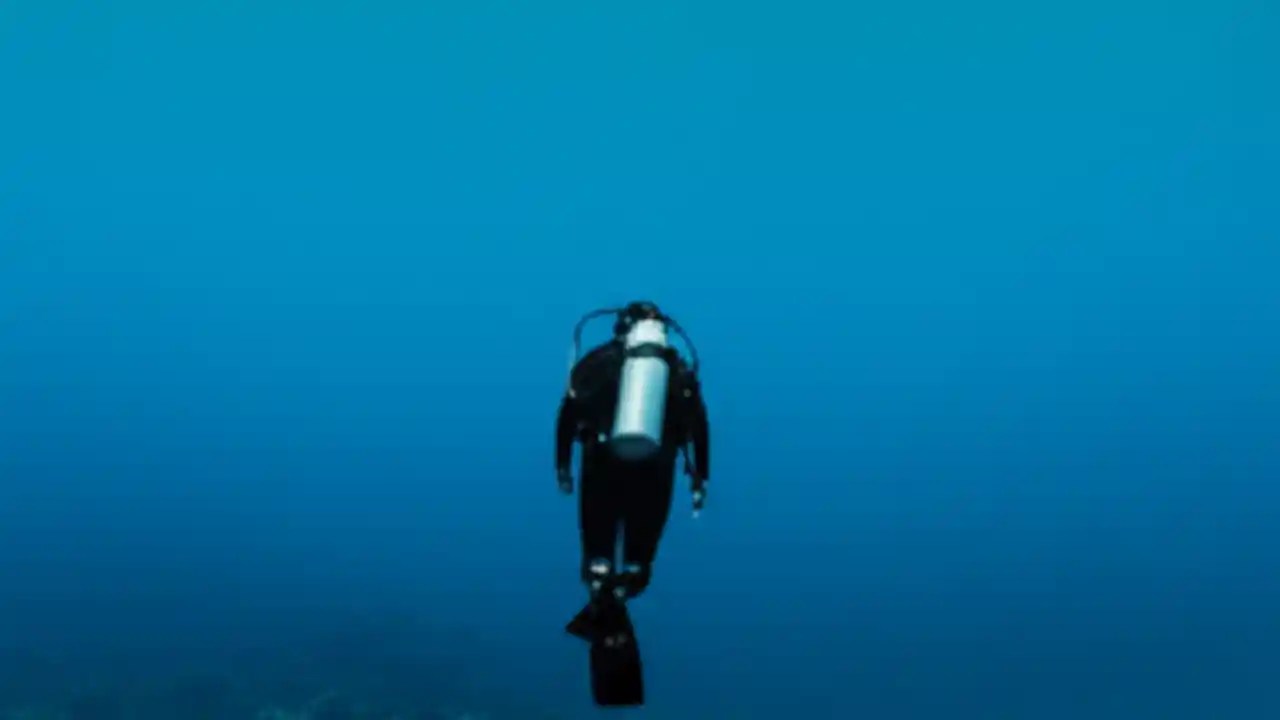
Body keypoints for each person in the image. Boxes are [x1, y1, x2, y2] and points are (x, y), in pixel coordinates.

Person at [554, 302, 710, 673]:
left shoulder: (597, 362)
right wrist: (699, 480)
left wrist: (562, 466)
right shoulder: (677, 370)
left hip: (602, 466)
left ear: (620, 328)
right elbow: (699, 428)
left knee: (597, 548)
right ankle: (626, 587)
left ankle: (600, 584)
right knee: (641, 554)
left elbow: (568, 413)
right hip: (655, 474)